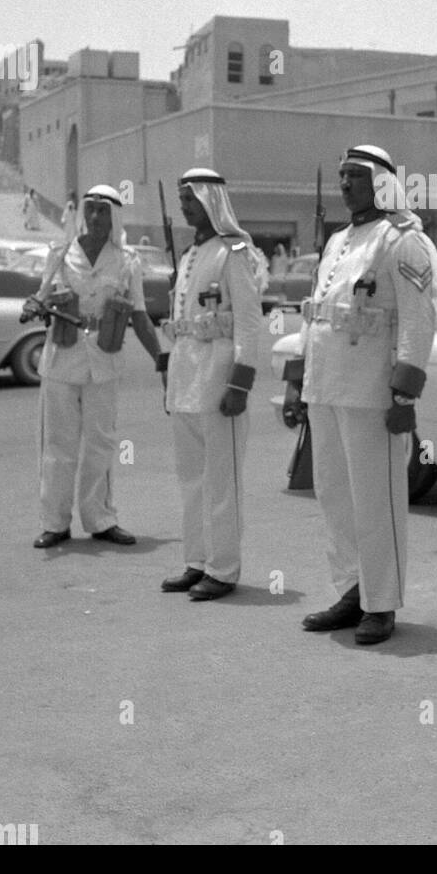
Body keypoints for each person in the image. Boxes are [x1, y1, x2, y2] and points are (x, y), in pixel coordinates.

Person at [282, 145, 437, 645]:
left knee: (377, 501)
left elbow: (418, 323)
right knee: (335, 496)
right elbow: (317, 315)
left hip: (372, 391)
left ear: (381, 182)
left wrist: (405, 396)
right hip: (327, 386)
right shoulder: (337, 241)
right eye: (341, 176)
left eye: (355, 176)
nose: (345, 185)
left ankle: (382, 602)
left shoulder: (404, 241)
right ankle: (351, 589)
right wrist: (298, 381)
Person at [25, 184, 165, 549]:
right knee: (58, 443)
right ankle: (54, 522)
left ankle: (100, 518)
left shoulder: (127, 261)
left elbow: (139, 315)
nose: (95, 218)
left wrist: (162, 359)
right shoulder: (60, 253)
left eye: (103, 211)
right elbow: (40, 299)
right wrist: (35, 306)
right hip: (61, 358)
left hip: (104, 358)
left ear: (115, 216)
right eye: (90, 210)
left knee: (101, 442)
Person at [158, 166, 267, 600]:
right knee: (192, 480)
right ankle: (196, 561)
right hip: (186, 378)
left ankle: (223, 568)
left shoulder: (233, 251)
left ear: (210, 201)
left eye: (190, 199)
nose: (184, 207)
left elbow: (249, 321)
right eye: (181, 200)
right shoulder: (187, 256)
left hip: (220, 377)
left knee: (222, 481)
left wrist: (241, 382)